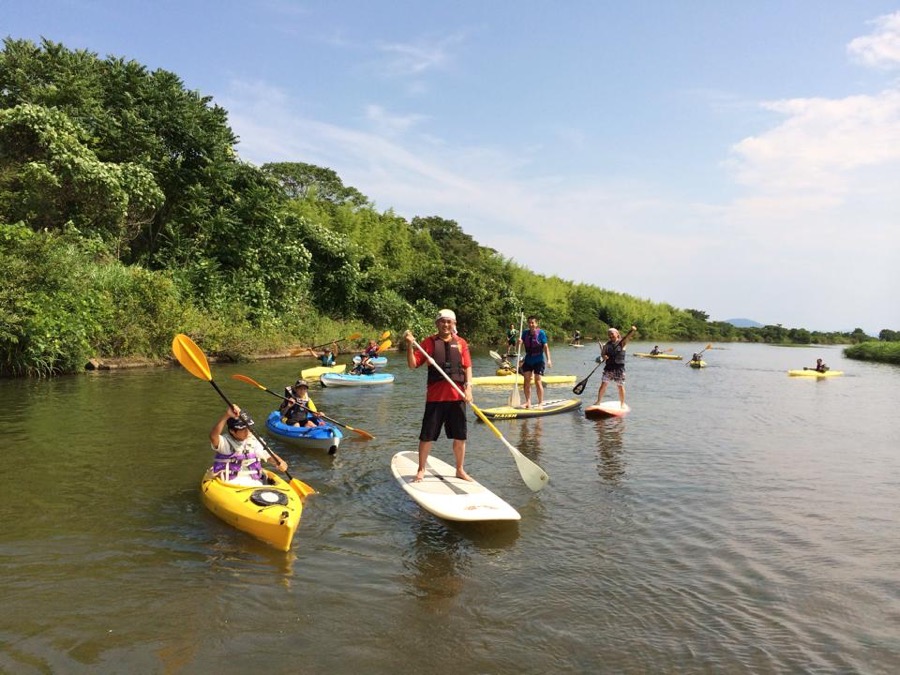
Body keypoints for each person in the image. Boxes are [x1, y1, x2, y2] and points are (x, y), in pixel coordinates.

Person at [404, 308, 474, 482]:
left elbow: (468, 367)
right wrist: (410, 345)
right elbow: (413, 365)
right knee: (427, 436)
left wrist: (469, 388)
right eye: (442, 321)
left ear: (454, 324)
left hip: (457, 398)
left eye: (449, 321)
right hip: (436, 398)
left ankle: (459, 469)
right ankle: (421, 469)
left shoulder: (461, 343)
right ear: (437, 324)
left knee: (460, 436)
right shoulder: (428, 343)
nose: (446, 324)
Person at [209, 405, 287, 486]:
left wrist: (279, 462)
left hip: (254, 480)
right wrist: (226, 415)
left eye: (248, 427)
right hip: (230, 482)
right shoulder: (225, 442)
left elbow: (268, 455)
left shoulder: (255, 440)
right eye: (242, 429)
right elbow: (213, 436)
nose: (247, 431)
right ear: (232, 431)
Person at [594, 325, 638, 408]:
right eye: (609, 334)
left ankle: (622, 404)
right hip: (609, 368)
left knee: (620, 386)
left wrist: (632, 330)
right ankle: (598, 401)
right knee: (603, 384)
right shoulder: (607, 345)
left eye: (612, 334)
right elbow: (603, 353)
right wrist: (604, 357)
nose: (610, 335)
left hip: (619, 369)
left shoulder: (622, 343)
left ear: (617, 334)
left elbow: (628, 336)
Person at [519, 315, 552, 408]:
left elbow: (545, 347)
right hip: (528, 359)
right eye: (529, 322)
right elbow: (519, 347)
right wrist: (519, 343)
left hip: (538, 360)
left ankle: (540, 402)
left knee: (537, 380)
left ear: (536, 324)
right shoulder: (525, 333)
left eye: (532, 322)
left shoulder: (541, 333)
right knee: (526, 380)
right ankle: (528, 402)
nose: (531, 324)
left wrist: (549, 359)